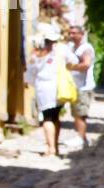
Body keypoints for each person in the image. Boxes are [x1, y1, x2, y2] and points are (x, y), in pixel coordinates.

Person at [24, 21, 75, 157]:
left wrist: (28, 82)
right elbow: (73, 61)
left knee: (47, 118)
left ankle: (51, 148)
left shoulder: (36, 54)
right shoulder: (61, 49)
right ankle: (56, 146)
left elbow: (30, 73)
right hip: (59, 87)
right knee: (56, 117)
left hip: (43, 88)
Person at [65, 25, 95, 148]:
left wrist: (71, 67)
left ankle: (81, 138)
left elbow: (86, 64)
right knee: (76, 112)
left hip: (83, 86)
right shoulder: (72, 48)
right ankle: (82, 137)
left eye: (74, 33)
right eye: (70, 33)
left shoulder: (85, 48)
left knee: (80, 113)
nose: (71, 35)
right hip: (75, 85)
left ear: (81, 34)